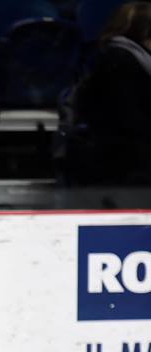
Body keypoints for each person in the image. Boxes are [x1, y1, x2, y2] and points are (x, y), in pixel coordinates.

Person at [62, 1, 151, 205]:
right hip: (124, 171)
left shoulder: (135, 60)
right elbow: (130, 123)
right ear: (143, 33)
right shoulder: (120, 62)